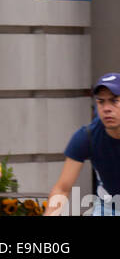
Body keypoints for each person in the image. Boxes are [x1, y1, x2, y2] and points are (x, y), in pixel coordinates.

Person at [45, 72, 120, 216]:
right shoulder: (87, 136)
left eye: (114, 101)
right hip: (107, 208)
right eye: (101, 102)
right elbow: (62, 189)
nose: (106, 108)